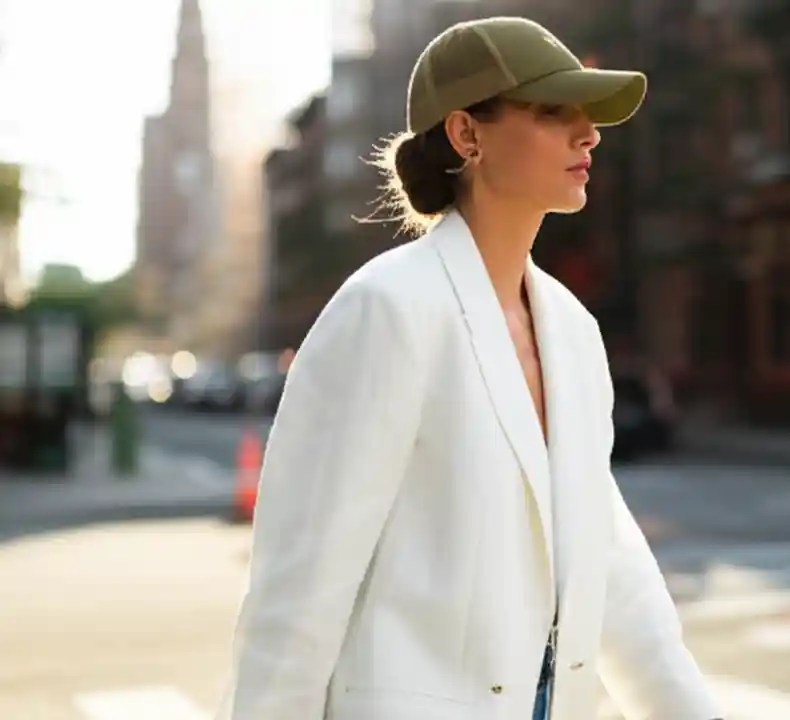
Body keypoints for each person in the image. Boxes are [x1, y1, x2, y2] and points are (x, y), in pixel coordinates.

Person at [216, 17, 722, 720]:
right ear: (466, 134)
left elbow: (609, 563)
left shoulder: (573, 331)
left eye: (587, 117)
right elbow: (299, 594)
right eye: (553, 112)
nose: (589, 135)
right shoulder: (385, 310)